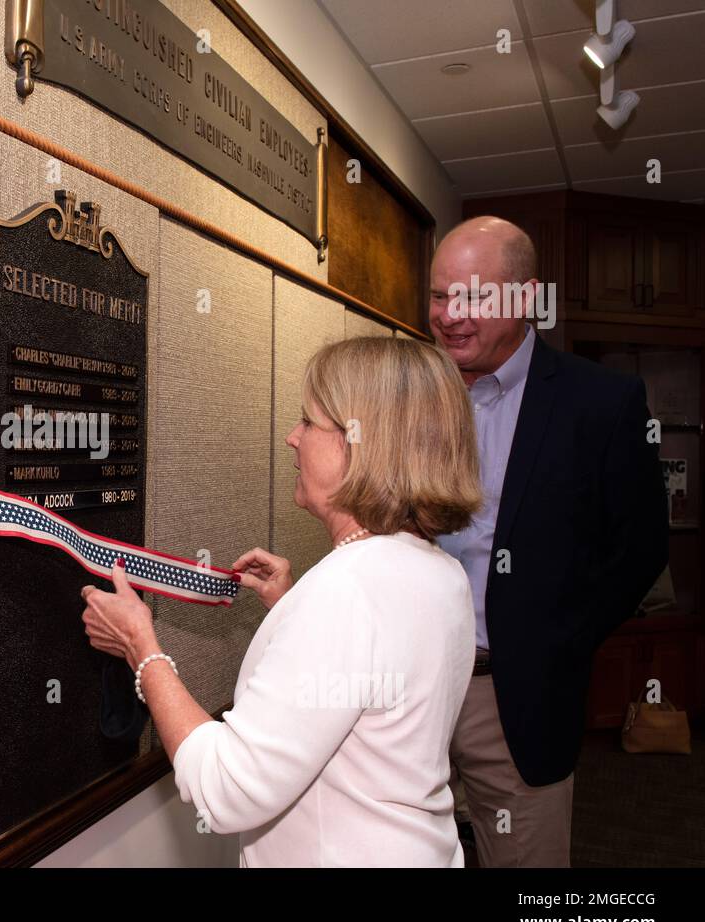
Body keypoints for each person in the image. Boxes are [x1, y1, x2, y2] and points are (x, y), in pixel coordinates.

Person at [81, 336, 481, 866]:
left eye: (309, 421)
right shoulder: (438, 570)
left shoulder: (348, 591)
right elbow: (372, 677)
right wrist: (293, 608)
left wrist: (142, 647)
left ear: (363, 443)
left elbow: (225, 790)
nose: (293, 438)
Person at [429, 216, 668, 867]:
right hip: (408, 683)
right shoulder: (414, 391)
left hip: (512, 698)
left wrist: (560, 638)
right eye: (439, 295)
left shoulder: (602, 402)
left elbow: (643, 548)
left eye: (472, 296)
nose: (449, 315)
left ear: (525, 297)